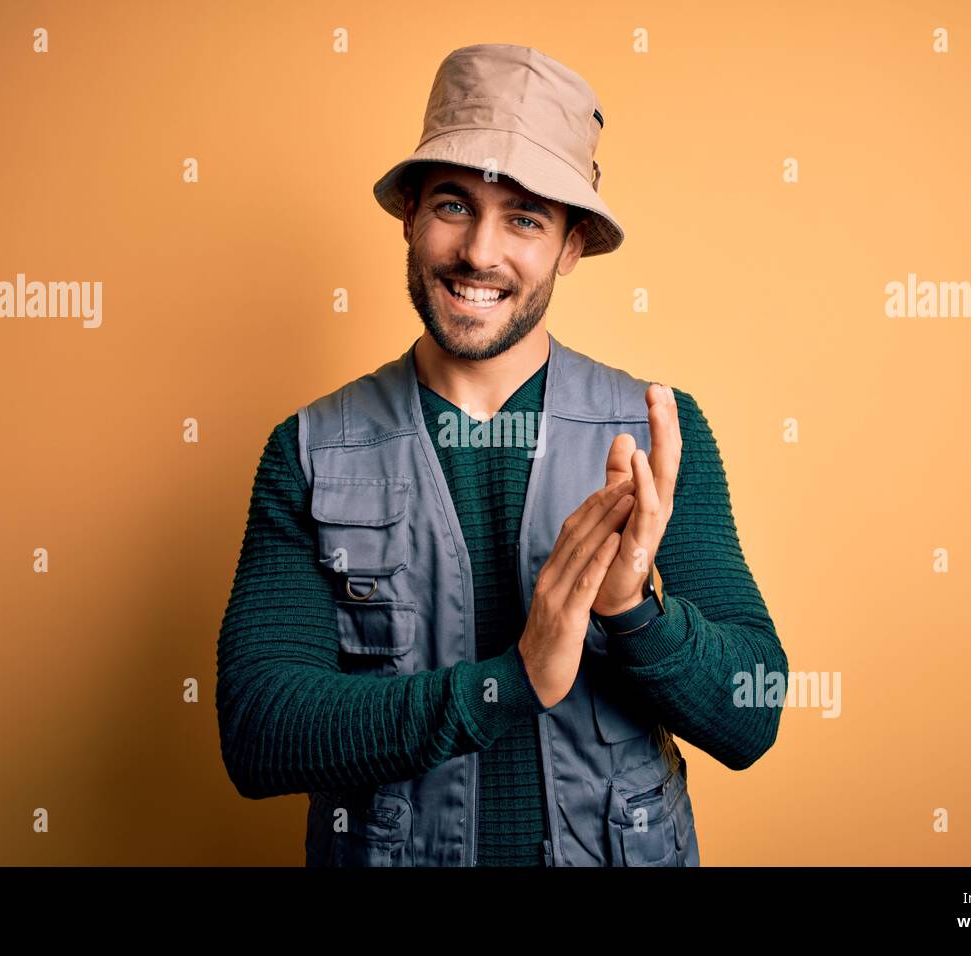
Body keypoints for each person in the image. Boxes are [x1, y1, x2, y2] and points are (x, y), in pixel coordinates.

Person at [216, 43, 787, 867]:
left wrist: (633, 609)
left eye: (524, 217)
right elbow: (260, 732)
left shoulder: (659, 433)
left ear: (570, 246)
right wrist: (510, 682)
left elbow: (751, 717)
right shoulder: (307, 450)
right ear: (410, 211)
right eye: (454, 205)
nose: (480, 252)